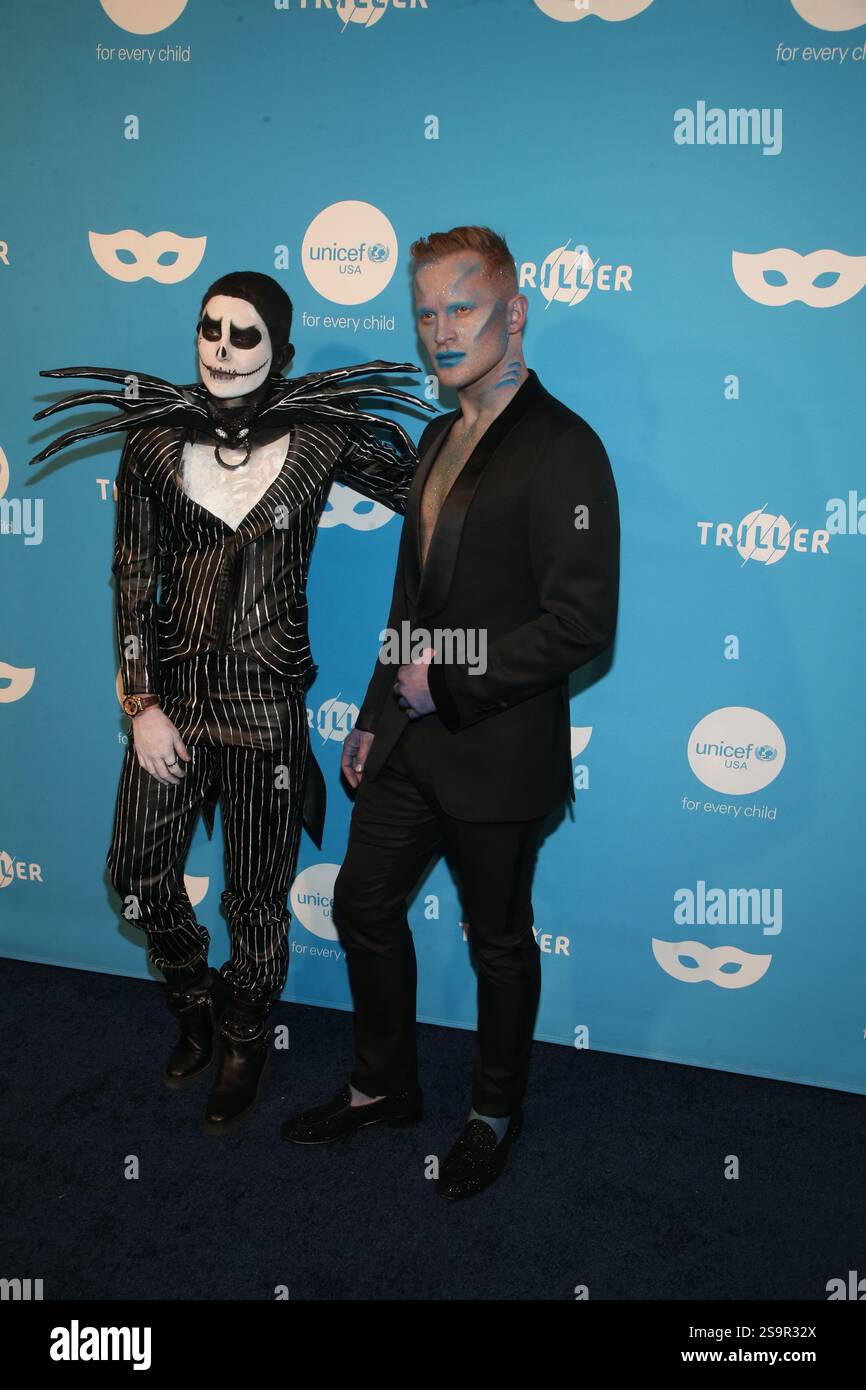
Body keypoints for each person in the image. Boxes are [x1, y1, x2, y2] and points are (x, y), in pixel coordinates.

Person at [29, 270, 429, 1135]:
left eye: (244, 335)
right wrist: (139, 701)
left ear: (278, 350)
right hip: (172, 698)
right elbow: (133, 575)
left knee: (254, 897)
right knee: (135, 878)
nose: (221, 347)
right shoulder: (152, 439)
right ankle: (193, 998)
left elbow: (426, 489)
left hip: (266, 703)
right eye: (210, 328)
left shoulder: (323, 434)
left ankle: (246, 1035)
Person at [280, 228, 620, 1199]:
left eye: (460, 308)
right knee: (359, 904)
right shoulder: (434, 436)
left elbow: (581, 621)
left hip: (501, 754)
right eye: (424, 312)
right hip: (414, 743)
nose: (439, 329)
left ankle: (492, 1112)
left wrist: (453, 680)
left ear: (514, 314)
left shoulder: (565, 448)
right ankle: (382, 1086)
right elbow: (411, 601)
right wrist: (380, 708)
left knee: (497, 942)